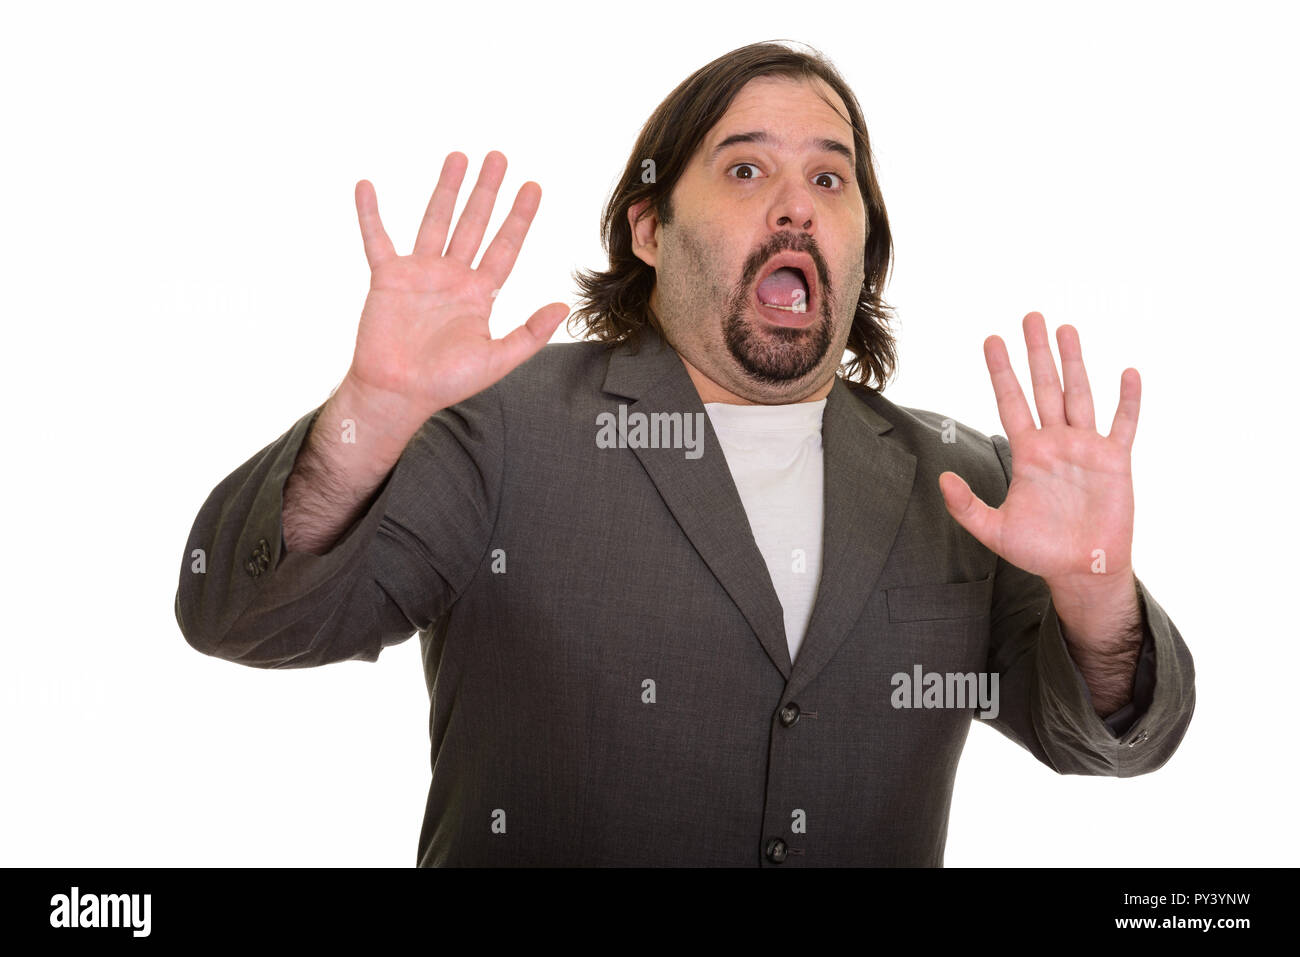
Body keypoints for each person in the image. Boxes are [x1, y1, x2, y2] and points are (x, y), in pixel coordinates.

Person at [174, 40, 1195, 867]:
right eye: (746, 168)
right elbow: (242, 616)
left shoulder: (964, 481)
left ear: (861, 247)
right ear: (650, 228)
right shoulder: (501, 423)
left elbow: (1107, 742)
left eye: (829, 178)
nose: (796, 204)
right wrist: (367, 415)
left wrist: (1095, 589)